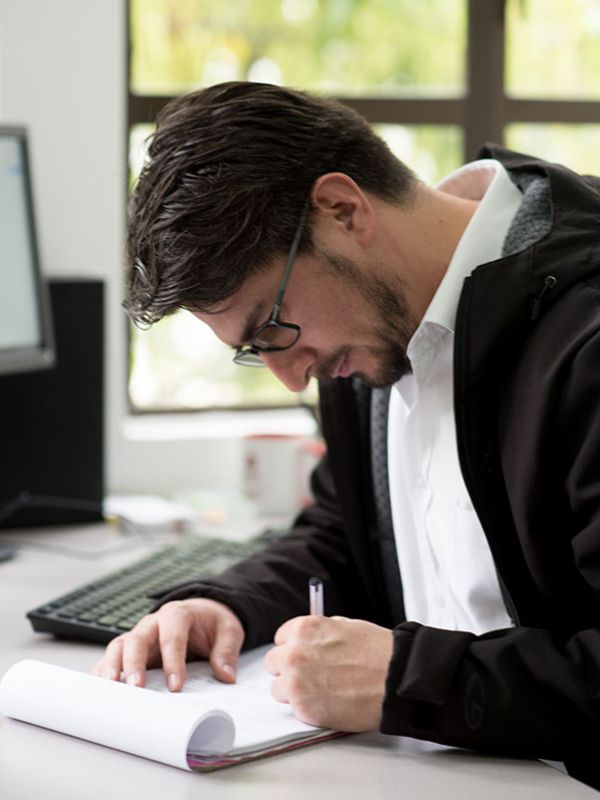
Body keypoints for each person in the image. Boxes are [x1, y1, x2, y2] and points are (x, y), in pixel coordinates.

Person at [95, 81, 600, 788]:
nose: (289, 378)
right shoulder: (369, 327)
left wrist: (409, 679)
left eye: (272, 329)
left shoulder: (583, 339)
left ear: (342, 209)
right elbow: (345, 532)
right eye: (253, 351)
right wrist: (225, 603)